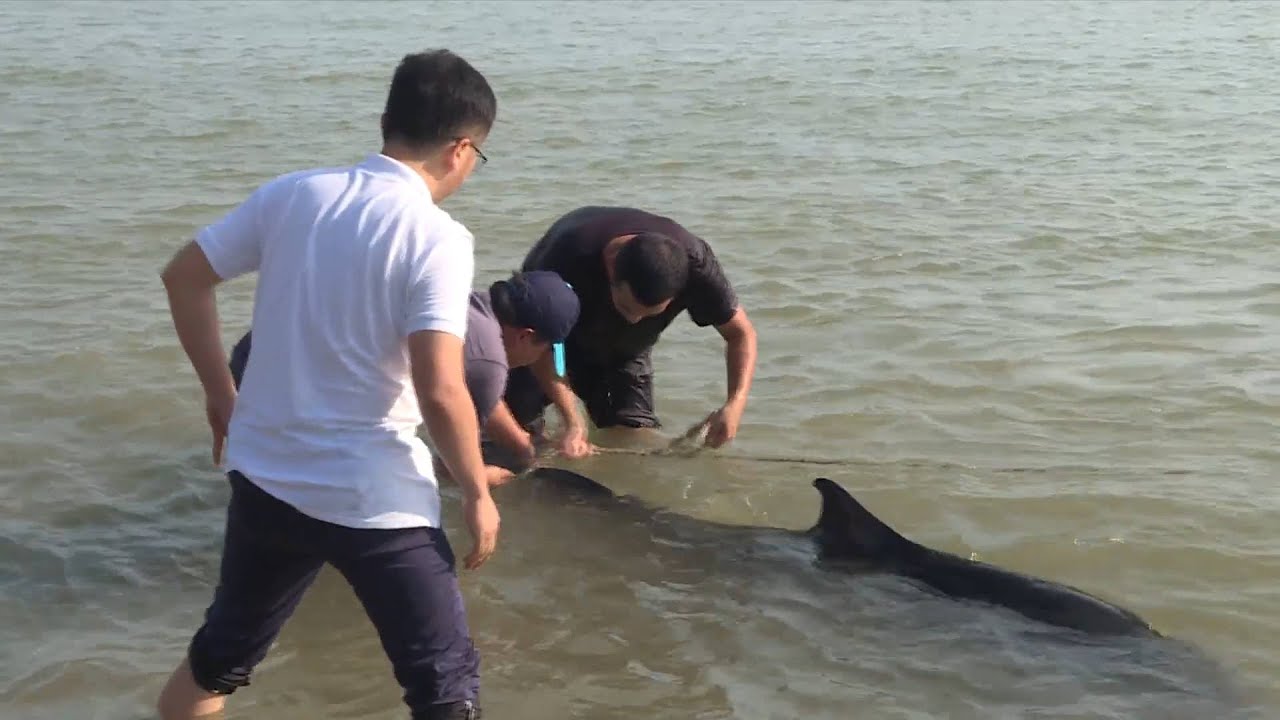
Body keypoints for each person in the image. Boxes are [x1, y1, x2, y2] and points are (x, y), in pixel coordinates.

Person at [156, 50, 499, 720]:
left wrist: (222, 395)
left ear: (388, 120)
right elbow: (439, 387)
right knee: (446, 692)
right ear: (460, 149)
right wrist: (478, 493)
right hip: (374, 501)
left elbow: (184, 278)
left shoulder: (294, 193)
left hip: (265, 482)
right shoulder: (438, 237)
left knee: (219, 661)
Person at [225, 271, 581, 488]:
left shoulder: (464, 304)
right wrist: (486, 478)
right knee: (357, 485)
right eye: (545, 349)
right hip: (286, 385)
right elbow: (452, 463)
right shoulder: (489, 360)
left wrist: (522, 446)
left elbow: (477, 391)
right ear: (524, 336)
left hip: (258, 353)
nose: (540, 360)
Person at [503, 205, 758, 453]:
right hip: (551, 342)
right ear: (612, 268)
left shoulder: (698, 269)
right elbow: (539, 348)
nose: (634, 320)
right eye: (626, 308)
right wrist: (573, 421)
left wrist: (734, 404)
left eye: (650, 315)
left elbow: (741, 334)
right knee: (518, 440)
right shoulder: (565, 260)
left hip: (628, 351)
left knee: (633, 437)